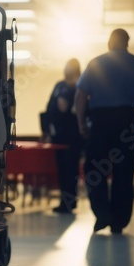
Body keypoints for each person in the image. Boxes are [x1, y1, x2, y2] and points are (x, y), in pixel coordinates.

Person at [75, 29, 134, 234]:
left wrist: (81, 123)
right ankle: (119, 221)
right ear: (127, 43)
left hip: (100, 120)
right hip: (127, 120)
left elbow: (81, 95)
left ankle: (102, 214)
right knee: (124, 170)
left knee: (95, 168)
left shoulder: (95, 63)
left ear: (109, 43)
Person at [43, 58, 83, 213]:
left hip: (70, 136)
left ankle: (68, 202)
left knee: (69, 170)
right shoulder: (61, 86)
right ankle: (67, 201)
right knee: (65, 170)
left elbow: (63, 107)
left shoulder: (76, 87)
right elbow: (52, 108)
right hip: (62, 136)